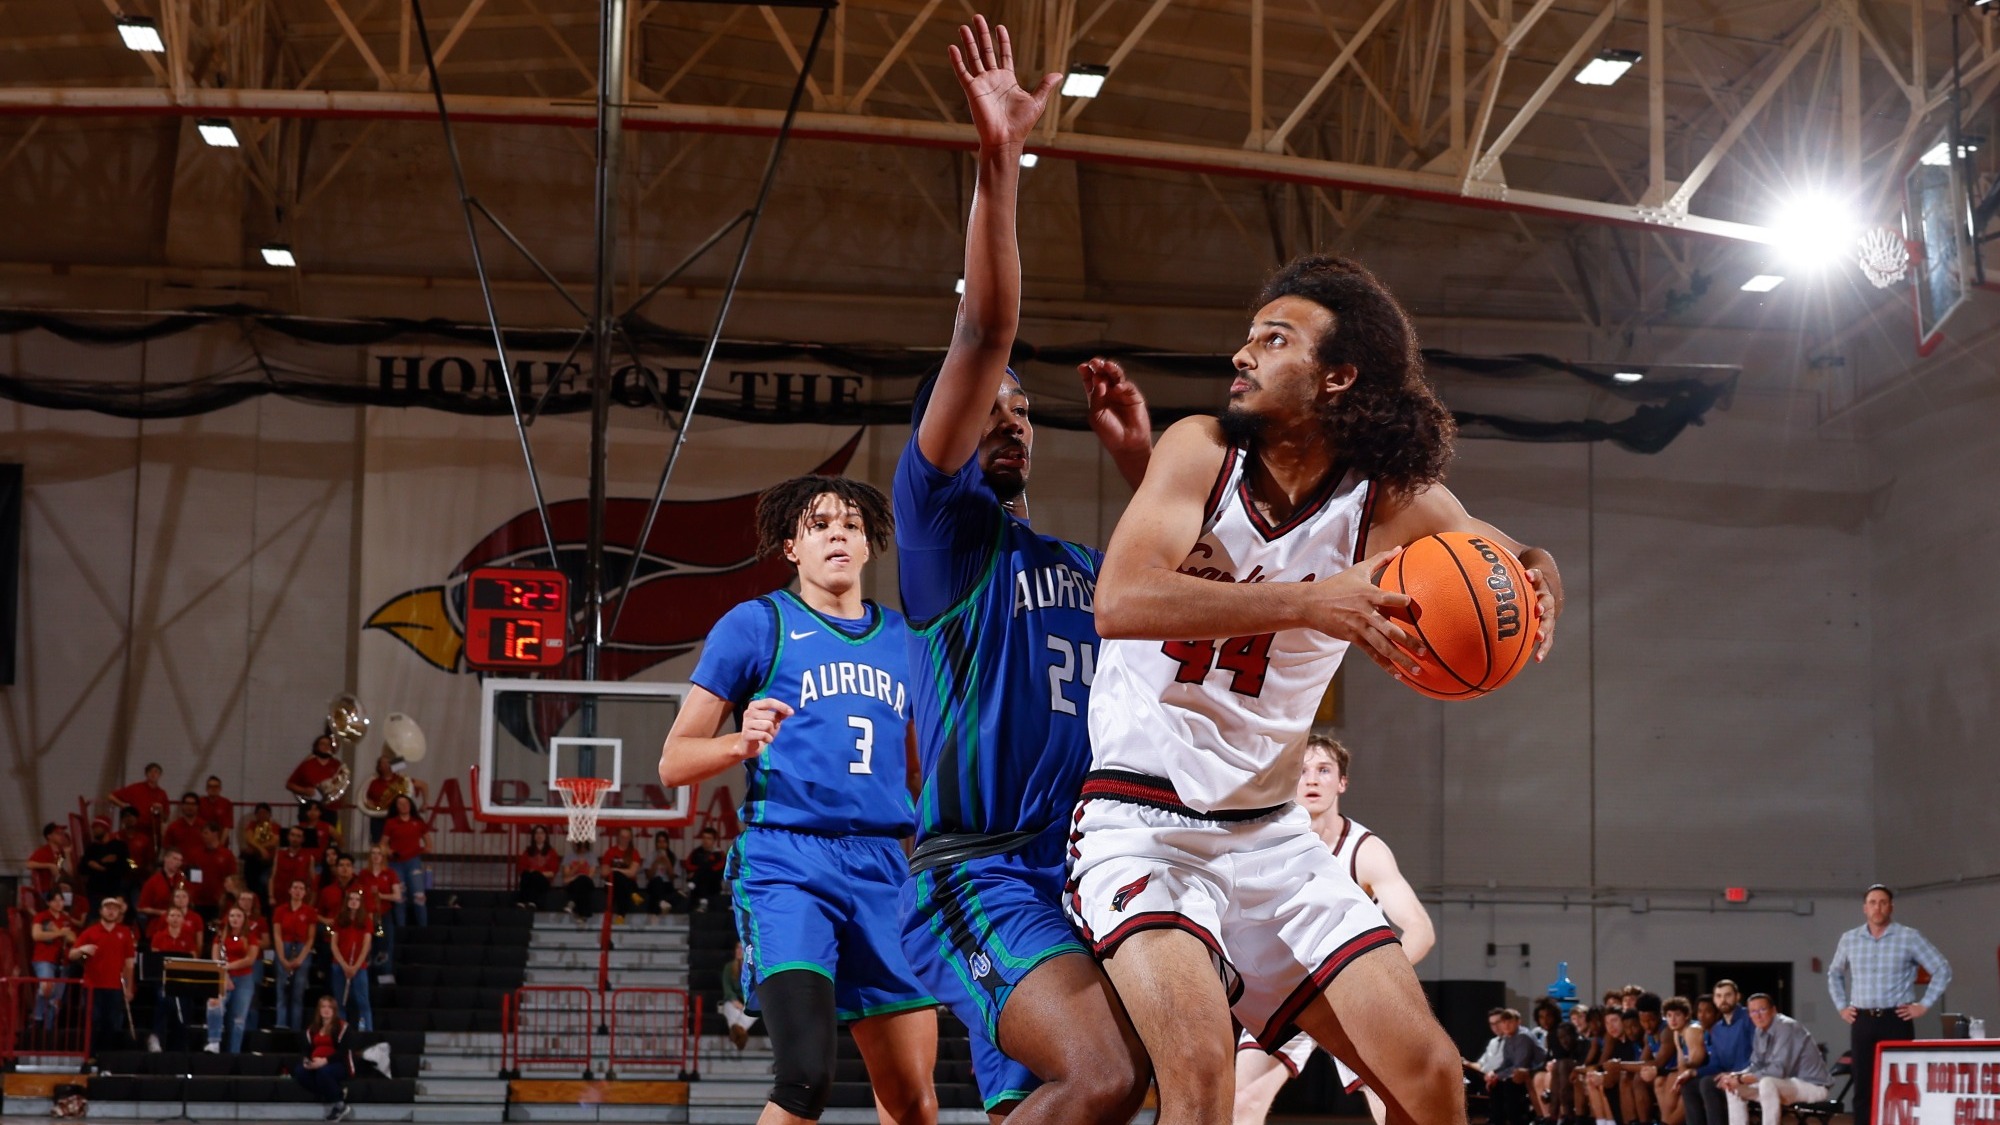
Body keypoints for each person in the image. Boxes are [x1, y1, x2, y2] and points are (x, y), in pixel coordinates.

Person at [1072, 248, 1562, 1125]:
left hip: (1273, 843)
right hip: (1144, 826)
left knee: (1432, 1073)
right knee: (1199, 1075)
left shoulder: (1383, 499)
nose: (1242, 354)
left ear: (1338, 375)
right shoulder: (1200, 448)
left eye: (1272, 338)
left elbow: (1505, 555)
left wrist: (1539, 574)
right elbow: (1119, 600)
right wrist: (1314, 600)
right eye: (1247, 338)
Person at [892, 18, 1156, 1121]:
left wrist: (1145, 462)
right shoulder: (942, 536)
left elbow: (1191, 578)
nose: (1009, 418)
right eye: (989, 410)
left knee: (1077, 1097)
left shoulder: (1092, 570)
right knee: (1106, 1072)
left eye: (1022, 414)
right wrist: (999, 166)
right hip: (977, 868)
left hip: (1078, 874)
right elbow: (984, 330)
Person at [662, 473, 939, 1125]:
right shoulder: (757, 624)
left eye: (849, 522)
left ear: (871, 542)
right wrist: (740, 743)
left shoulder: (908, 640)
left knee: (913, 1099)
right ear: (791, 546)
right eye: (818, 524)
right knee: (805, 1077)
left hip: (884, 867)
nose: (836, 532)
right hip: (788, 863)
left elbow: (919, 774)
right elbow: (675, 759)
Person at [1233, 736, 1438, 1125]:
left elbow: (1420, 930)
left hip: (1352, 994)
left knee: (1391, 1102)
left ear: (1341, 782)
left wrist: (1377, 980)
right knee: (1241, 1101)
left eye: (1324, 770)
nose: (1312, 780)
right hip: (1289, 989)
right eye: (1301, 771)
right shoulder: (1265, 845)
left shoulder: (1365, 849)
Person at [1829, 883, 1952, 1125]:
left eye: (1883, 902)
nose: (1878, 907)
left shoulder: (1909, 937)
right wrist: (1842, 1006)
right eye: (1873, 902)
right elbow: (1834, 973)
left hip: (1896, 1019)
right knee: (1863, 1084)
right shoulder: (1849, 939)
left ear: (1891, 907)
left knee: (1900, 1082)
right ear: (1865, 908)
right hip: (1862, 1019)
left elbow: (1942, 969)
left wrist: (1924, 1004)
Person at [1718, 995, 1832, 1125]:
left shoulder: (1786, 1027)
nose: (1758, 1015)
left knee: (1767, 1082)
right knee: (1732, 1086)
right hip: (1784, 1085)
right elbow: (1756, 1065)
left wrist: (1741, 1078)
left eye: (1762, 1009)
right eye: (1753, 1011)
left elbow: (1778, 1070)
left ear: (1773, 1010)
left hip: (1813, 1086)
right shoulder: (1759, 1031)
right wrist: (1735, 1076)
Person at [68, 895, 138, 1052]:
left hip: (114, 986)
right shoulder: (90, 932)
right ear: (101, 911)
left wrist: (129, 987)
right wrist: (82, 950)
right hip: (92, 985)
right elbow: (71, 954)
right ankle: (90, 1054)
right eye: (108, 908)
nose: (111, 911)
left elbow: (129, 963)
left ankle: (107, 1056)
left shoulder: (125, 933)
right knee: (93, 1021)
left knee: (111, 1023)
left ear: (119, 912)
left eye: (115, 909)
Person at [1685, 980, 1755, 1125]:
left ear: (1737, 997)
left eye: (1728, 995)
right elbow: (1716, 1065)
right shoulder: (1717, 1029)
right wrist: (1693, 1073)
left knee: (1707, 1084)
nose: (1723, 1000)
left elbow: (1758, 1055)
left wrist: (1734, 1074)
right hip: (1726, 1076)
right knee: (1689, 1085)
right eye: (1718, 996)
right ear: (1715, 1000)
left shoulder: (1749, 1019)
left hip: (1748, 1076)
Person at [1469, 1009, 1547, 1125]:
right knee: (1497, 1086)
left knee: (1510, 1086)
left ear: (1518, 1022)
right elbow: (1506, 1063)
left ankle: (1519, 1120)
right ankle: (1497, 1120)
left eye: (1509, 1022)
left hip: (1534, 1071)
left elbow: (1520, 1065)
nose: (1506, 1025)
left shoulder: (1522, 1036)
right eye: (1504, 1022)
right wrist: (1494, 1074)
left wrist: (1497, 1076)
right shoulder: (1508, 1038)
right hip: (1518, 1073)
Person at [147, 903, 205, 1051]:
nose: (175, 918)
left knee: (184, 1005)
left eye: (178, 916)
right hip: (164, 980)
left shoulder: (188, 938)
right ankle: (156, 1038)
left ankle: (180, 1044)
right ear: (166, 918)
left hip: (182, 981)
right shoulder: (159, 937)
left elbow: (193, 958)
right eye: (172, 915)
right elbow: (154, 960)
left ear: (183, 919)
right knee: (163, 1000)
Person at [290, 994, 357, 1121]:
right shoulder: (312, 1029)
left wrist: (324, 1061)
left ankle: (340, 1105)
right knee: (300, 1072)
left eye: (329, 1007)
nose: (326, 1009)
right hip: (317, 1063)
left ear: (334, 1010)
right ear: (319, 1010)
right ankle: (337, 1092)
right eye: (323, 1006)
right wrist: (306, 1061)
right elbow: (306, 1049)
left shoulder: (342, 1027)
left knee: (323, 1072)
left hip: (338, 1063)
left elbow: (343, 1051)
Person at [30, 884, 82, 1031]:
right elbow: (37, 935)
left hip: (62, 960)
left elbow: (73, 938)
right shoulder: (42, 916)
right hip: (44, 958)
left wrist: (59, 932)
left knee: (56, 999)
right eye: (55, 900)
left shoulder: (66, 918)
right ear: (48, 902)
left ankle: (49, 1029)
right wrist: (60, 933)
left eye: (61, 900)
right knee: (46, 987)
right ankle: (37, 1019)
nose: (59, 903)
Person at [212, 904, 263, 1052]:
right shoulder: (220, 936)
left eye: (238, 916)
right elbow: (216, 958)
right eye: (232, 916)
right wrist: (224, 973)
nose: (235, 919)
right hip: (223, 977)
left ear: (244, 919)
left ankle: (234, 1052)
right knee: (216, 1009)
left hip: (244, 979)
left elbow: (250, 960)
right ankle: (215, 1045)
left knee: (238, 1019)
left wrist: (228, 967)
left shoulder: (251, 937)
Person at [272, 878, 321, 1030]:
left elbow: (311, 938)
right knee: (282, 992)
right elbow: (277, 935)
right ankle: (281, 1026)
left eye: (301, 888)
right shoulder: (280, 910)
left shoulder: (309, 911)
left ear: (305, 892)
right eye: (295, 887)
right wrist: (282, 958)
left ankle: (295, 1029)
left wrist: (301, 958)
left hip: (302, 949)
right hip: (284, 948)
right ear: (290, 890)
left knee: (297, 994)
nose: (298, 891)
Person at [1654, 996, 1708, 1125]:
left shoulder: (1692, 1030)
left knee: (1673, 1077)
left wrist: (1679, 1076)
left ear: (1687, 1016)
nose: (1672, 1020)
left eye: (1677, 1015)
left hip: (1704, 1073)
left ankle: (1666, 1122)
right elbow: (1681, 1064)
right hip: (1690, 1074)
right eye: (1669, 1015)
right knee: (1659, 1081)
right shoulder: (1677, 1033)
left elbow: (1696, 1062)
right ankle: (1666, 1120)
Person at [379, 794, 431, 928]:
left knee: (418, 895)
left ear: (410, 805)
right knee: (399, 897)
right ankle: (400, 929)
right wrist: (389, 851)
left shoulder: (418, 822)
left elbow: (429, 843)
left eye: (406, 803)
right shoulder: (391, 823)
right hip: (396, 863)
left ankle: (423, 928)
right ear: (396, 807)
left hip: (413, 862)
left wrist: (421, 849)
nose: (404, 806)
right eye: (400, 804)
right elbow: (383, 844)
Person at [329, 889, 374, 1031]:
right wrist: (344, 965)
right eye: (351, 899)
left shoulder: (366, 920)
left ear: (360, 903)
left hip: (359, 967)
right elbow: (333, 945)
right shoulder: (340, 919)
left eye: (357, 899)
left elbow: (366, 946)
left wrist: (354, 967)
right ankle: (341, 1033)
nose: (354, 901)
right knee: (340, 1002)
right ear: (347, 902)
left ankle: (367, 1031)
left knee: (363, 1002)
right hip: (339, 966)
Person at [356, 847, 405, 974]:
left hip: (382, 914)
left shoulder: (389, 873)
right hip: (368, 914)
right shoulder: (364, 874)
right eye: (373, 853)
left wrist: (381, 895)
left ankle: (384, 973)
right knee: (367, 944)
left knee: (383, 943)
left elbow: (397, 896)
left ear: (383, 857)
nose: (376, 856)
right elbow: (358, 892)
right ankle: (366, 973)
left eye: (379, 854)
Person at [188, 820, 237, 921]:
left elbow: (232, 878)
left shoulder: (227, 855)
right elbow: (192, 878)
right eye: (202, 832)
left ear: (215, 833)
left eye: (206, 832)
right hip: (199, 902)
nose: (203, 835)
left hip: (218, 902)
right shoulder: (196, 854)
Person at [109, 763, 171, 832]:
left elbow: (166, 818)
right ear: (146, 774)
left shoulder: (162, 794)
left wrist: (161, 811)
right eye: (150, 771)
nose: (153, 774)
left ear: (160, 775)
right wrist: (125, 807)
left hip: (154, 831)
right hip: (136, 829)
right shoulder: (136, 788)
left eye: (156, 772)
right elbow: (111, 797)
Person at [287, 731, 348, 804]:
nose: (326, 747)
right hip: (310, 806)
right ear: (316, 747)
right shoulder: (307, 764)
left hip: (330, 807)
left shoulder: (338, 765)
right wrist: (304, 791)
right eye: (322, 744)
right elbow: (290, 784)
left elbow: (343, 784)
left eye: (328, 744)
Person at [719, 942, 758, 1050]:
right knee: (733, 1011)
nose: (739, 951)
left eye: (742, 948)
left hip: (748, 1002)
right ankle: (741, 1038)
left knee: (754, 1010)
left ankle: (735, 1038)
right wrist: (734, 1001)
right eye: (737, 948)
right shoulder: (729, 967)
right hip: (732, 1002)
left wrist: (746, 1004)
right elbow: (727, 987)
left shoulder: (753, 969)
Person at [136, 847, 189, 925]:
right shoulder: (152, 881)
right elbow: (141, 908)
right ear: (166, 859)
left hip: (180, 922)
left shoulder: (182, 878)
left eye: (180, 860)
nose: (178, 863)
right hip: (159, 923)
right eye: (175, 859)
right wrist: (162, 912)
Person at [240, 803, 281, 903]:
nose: (262, 815)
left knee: (264, 883)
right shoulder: (252, 824)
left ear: (269, 814)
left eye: (265, 812)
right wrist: (261, 849)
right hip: (254, 860)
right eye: (259, 813)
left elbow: (274, 841)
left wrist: (258, 847)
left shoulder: (275, 826)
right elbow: (249, 839)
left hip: (268, 861)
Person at [271, 824, 319, 904]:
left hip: (300, 898)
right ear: (288, 836)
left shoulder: (308, 857)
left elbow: (312, 881)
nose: (295, 838)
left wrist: (312, 900)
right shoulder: (279, 855)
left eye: (298, 836)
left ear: (303, 839)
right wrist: (271, 896)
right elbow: (272, 877)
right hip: (280, 897)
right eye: (292, 835)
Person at [28, 821, 75, 899]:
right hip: (44, 891)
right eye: (58, 834)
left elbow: (68, 872)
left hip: (54, 889)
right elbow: (29, 864)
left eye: (63, 834)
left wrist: (67, 854)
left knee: (68, 896)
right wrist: (49, 865)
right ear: (49, 836)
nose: (62, 836)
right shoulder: (43, 851)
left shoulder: (59, 854)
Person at [683, 827, 726, 910]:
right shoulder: (696, 852)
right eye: (704, 838)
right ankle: (703, 902)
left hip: (713, 885)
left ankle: (692, 887)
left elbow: (717, 868)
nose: (705, 841)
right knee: (703, 875)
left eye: (709, 838)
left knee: (706, 871)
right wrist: (699, 871)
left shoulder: (720, 854)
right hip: (698, 886)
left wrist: (697, 872)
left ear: (714, 840)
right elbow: (688, 865)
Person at [517, 825, 560, 909]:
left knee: (535, 874)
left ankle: (532, 901)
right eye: (536, 833)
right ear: (533, 836)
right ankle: (522, 901)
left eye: (541, 833)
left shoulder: (551, 852)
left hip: (543, 881)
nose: (539, 835)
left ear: (546, 836)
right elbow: (521, 869)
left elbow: (552, 872)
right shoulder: (527, 851)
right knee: (526, 874)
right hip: (529, 879)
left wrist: (538, 873)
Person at [644, 831, 686, 915]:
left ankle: (659, 907)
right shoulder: (651, 856)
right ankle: (662, 903)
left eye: (664, 842)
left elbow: (672, 878)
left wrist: (667, 861)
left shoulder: (672, 857)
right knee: (657, 880)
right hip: (653, 884)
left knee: (660, 894)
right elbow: (649, 876)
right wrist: (656, 862)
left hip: (667, 884)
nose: (661, 844)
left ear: (667, 844)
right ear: (656, 844)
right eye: (659, 842)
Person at [162, 794, 207, 859]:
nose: (190, 807)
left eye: (193, 804)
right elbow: (167, 848)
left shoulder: (205, 826)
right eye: (187, 804)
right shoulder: (173, 827)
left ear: (198, 806)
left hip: (201, 865)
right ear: (182, 806)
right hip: (180, 866)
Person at [561, 840, 598, 919]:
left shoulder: (592, 857)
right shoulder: (569, 857)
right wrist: (577, 867)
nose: (582, 849)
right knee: (581, 885)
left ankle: (572, 902)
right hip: (572, 883)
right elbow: (566, 875)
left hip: (587, 882)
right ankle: (583, 916)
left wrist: (579, 876)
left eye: (584, 846)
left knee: (583, 881)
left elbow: (590, 876)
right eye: (580, 846)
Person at [119, 806, 157, 882]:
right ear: (122, 820)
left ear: (137, 819)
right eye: (126, 816)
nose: (129, 818)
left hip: (138, 877)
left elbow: (149, 862)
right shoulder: (115, 837)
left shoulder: (144, 839)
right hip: (119, 876)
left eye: (133, 815)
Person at [199, 776, 234, 847]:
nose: (213, 789)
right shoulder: (200, 802)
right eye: (210, 786)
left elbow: (227, 827)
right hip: (202, 843)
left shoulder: (226, 803)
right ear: (206, 789)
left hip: (221, 842)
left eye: (216, 786)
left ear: (220, 788)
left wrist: (220, 845)